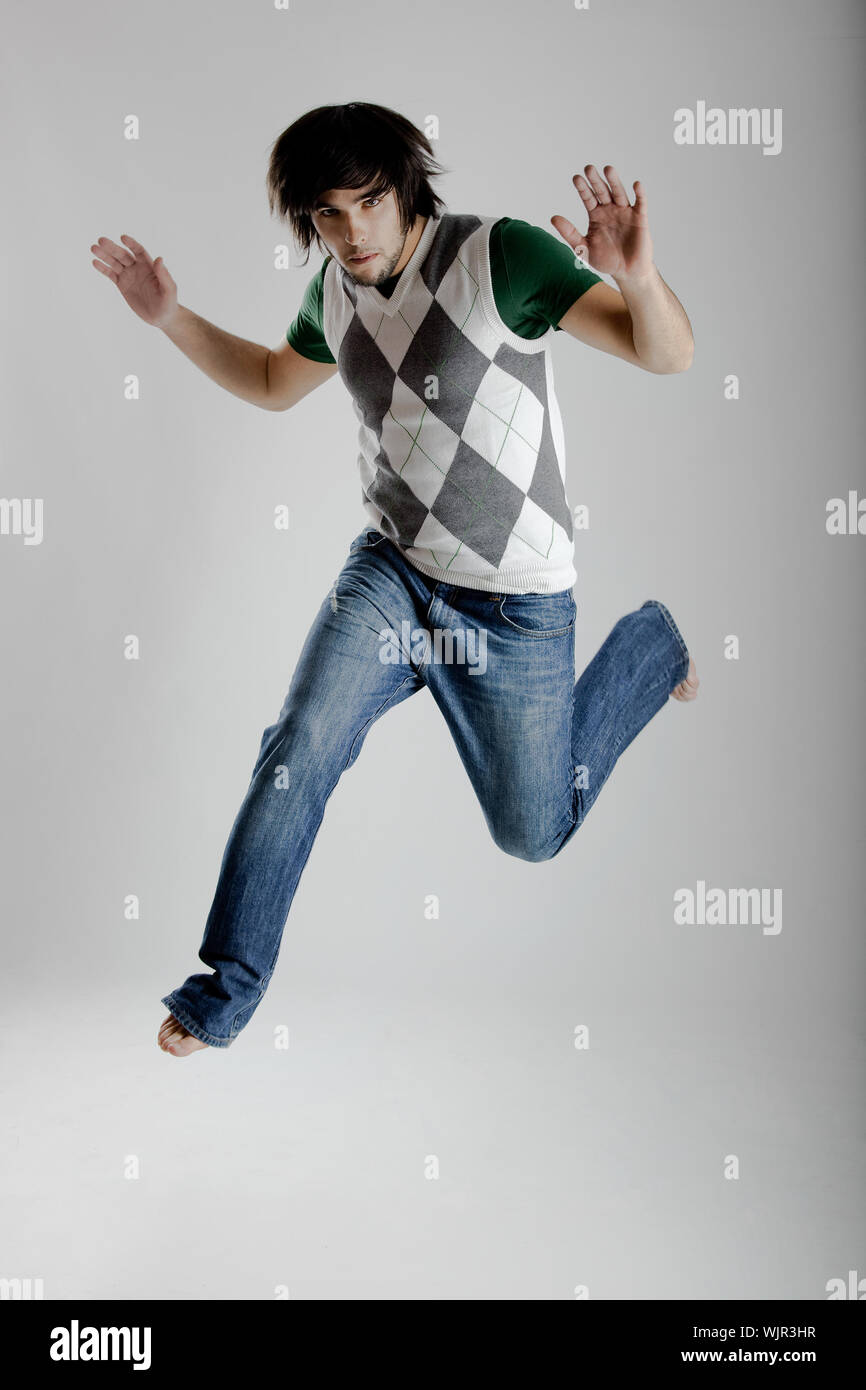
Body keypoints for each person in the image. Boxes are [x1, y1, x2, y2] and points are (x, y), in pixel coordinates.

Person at [90, 102, 699, 1058]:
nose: (353, 231)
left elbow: (667, 353)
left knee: (533, 835)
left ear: (405, 187)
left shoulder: (502, 257)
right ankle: (225, 990)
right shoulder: (333, 292)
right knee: (301, 744)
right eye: (328, 214)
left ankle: (652, 644)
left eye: (368, 201)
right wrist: (169, 317)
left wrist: (642, 278)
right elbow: (265, 379)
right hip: (393, 578)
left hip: (514, 605)